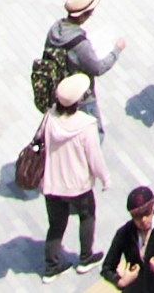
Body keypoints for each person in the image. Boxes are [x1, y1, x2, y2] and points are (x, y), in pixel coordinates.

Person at [33, 78, 110, 268]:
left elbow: (38, 141)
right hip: (78, 185)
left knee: (56, 225)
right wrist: (104, 178)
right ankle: (85, 258)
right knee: (87, 216)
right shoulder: (86, 124)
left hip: (52, 184)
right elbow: (94, 156)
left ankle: (52, 265)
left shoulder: (49, 117)